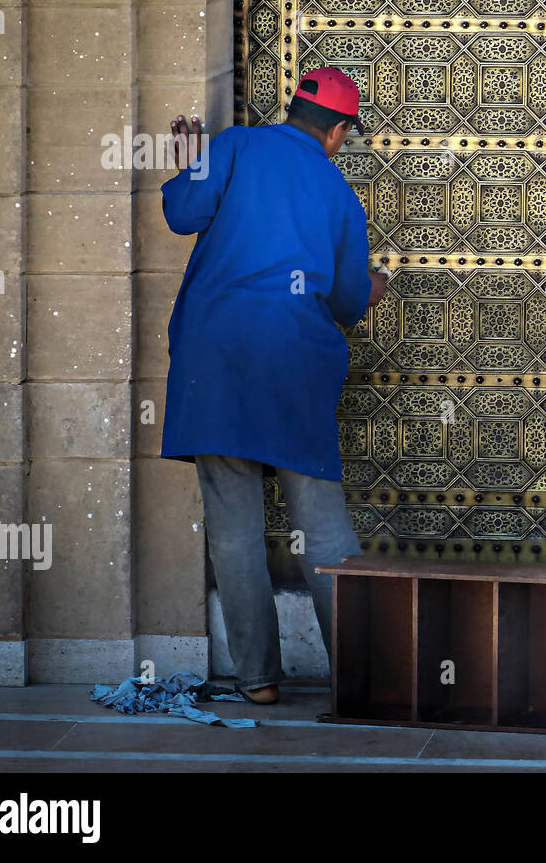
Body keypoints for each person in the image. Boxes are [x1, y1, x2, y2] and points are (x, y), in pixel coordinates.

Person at [160, 67, 389, 702]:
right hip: (293, 367)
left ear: (292, 111)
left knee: (232, 530)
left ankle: (258, 680)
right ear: (339, 131)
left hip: (215, 363)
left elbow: (182, 213)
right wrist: (373, 288)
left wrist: (192, 163)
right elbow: (344, 300)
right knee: (324, 527)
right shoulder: (339, 193)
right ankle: (360, 675)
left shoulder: (233, 147)